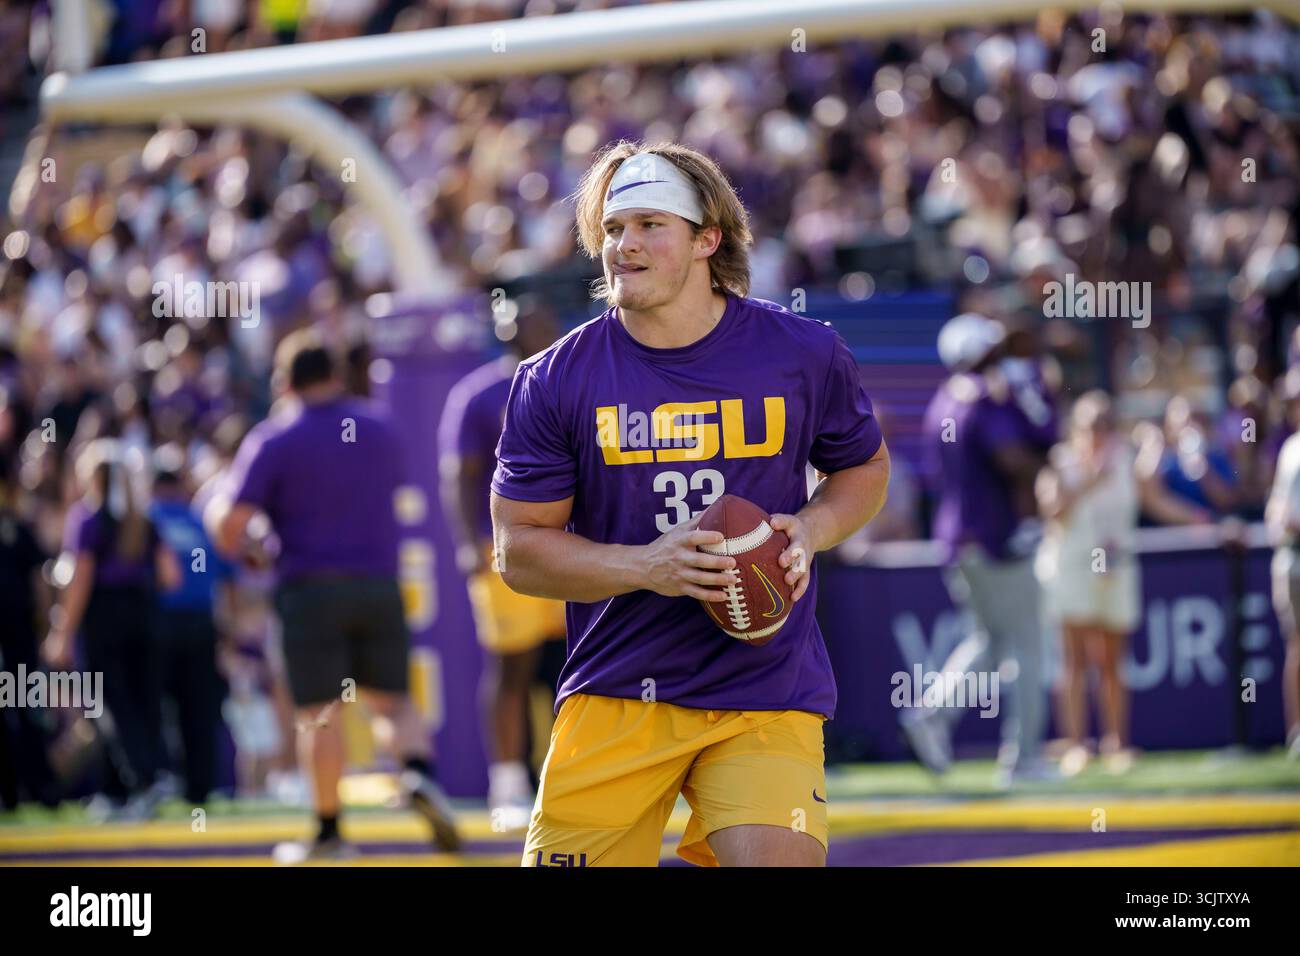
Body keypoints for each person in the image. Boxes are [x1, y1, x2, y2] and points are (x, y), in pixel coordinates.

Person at [491, 142, 890, 867]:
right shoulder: (554, 378)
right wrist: (648, 566)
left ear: (707, 239)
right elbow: (517, 550)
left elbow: (862, 467)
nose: (624, 245)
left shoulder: (801, 350)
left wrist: (812, 526)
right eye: (613, 230)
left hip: (762, 686)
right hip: (617, 688)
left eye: (649, 225)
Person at [208, 329, 459, 861]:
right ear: (337, 375)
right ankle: (417, 774)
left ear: (285, 381)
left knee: (320, 713)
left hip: (309, 590)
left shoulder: (276, 438)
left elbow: (230, 524)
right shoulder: (380, 428)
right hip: (379, 585)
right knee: (393, 702)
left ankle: (329, 835)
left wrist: (252, 548)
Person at [909, 312, 1058, 786]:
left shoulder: (943, 401)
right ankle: (1024, 759)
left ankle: (931, 715)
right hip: (994, 539)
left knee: (989, 641)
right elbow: (1013, 458)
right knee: (1028, 646)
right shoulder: (982, 400)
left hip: (960, 536)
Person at [438, 296, 566, 832]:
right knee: (510, 666)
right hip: (507, 547)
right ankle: (509, 783)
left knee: (576, 667)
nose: (527, 327)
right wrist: (469, 540)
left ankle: (570, 778)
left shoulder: (572, 379)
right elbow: (459, 474)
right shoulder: (482, 393)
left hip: (572, 545)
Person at [44, 438, 182, 818]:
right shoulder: (144, 519)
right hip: (144, 613)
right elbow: (171, 576)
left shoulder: (88, 518)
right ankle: (139, 783)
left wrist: (62, 632)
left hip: (103, 617)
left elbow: (81, 577)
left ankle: (142, 781)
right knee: (143, 700)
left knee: (111, 705)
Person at [1035, 391, 1141, 776]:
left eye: (1105, 424)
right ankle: (1077, 745)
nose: (1099, 432)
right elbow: (1052, 510)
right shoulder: (1060, 462)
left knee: (1112, 661)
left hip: (1115, 570)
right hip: (1071, 570)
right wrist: (1090, 479)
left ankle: (1116, 744)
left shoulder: (1126, 459)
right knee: (1075, 661)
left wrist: (1201, 521)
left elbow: (1152, 499)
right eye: (1091, 425)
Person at [149, 445, 232, 805]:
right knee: (199, 709)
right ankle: (200, 788)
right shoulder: (199, 521)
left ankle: (160, 782)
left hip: (158, 624)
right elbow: (228, 580)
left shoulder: (145, 521)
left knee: (155, 706)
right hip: (201, 625)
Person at [0, 458, 57, 809]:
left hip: (20, 634)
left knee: (27, 705)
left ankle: (40, 788)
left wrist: (47, 625)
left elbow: (40, 579)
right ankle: (10, 792)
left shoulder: (18, 528)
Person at [1265, 369, 1300, 761]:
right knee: (1297, 646)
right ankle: (1297, 731)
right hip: (1293, 560)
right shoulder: (1291, 448)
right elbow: (1278, 509)